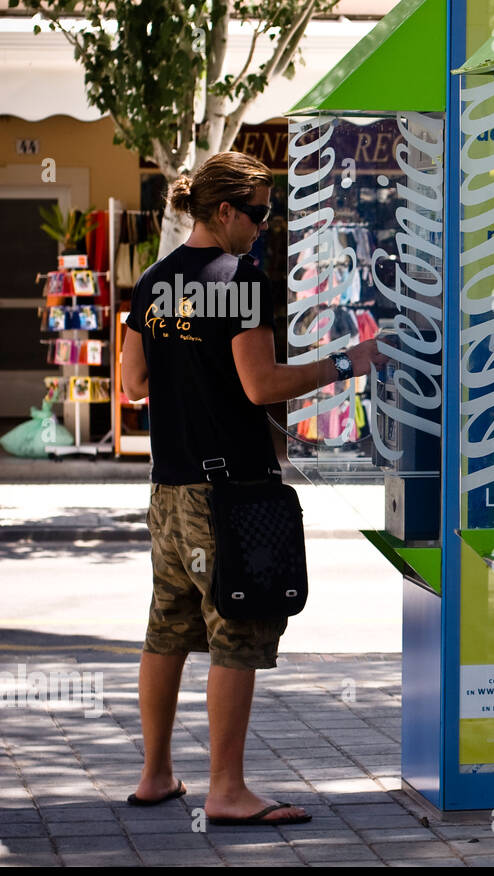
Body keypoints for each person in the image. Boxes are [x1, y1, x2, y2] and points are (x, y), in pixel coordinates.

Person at [120, 152, 388, 824]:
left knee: (168, 630)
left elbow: (131, 385)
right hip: (230, 491)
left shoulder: (155, 279)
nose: (266, 227)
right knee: (236, 631)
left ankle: (155, 776)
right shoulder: (239, 279)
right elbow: (261, 386)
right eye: (260, 214)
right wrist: (344, 362)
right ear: (223, 212)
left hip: (170, 487)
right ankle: (227, 790)